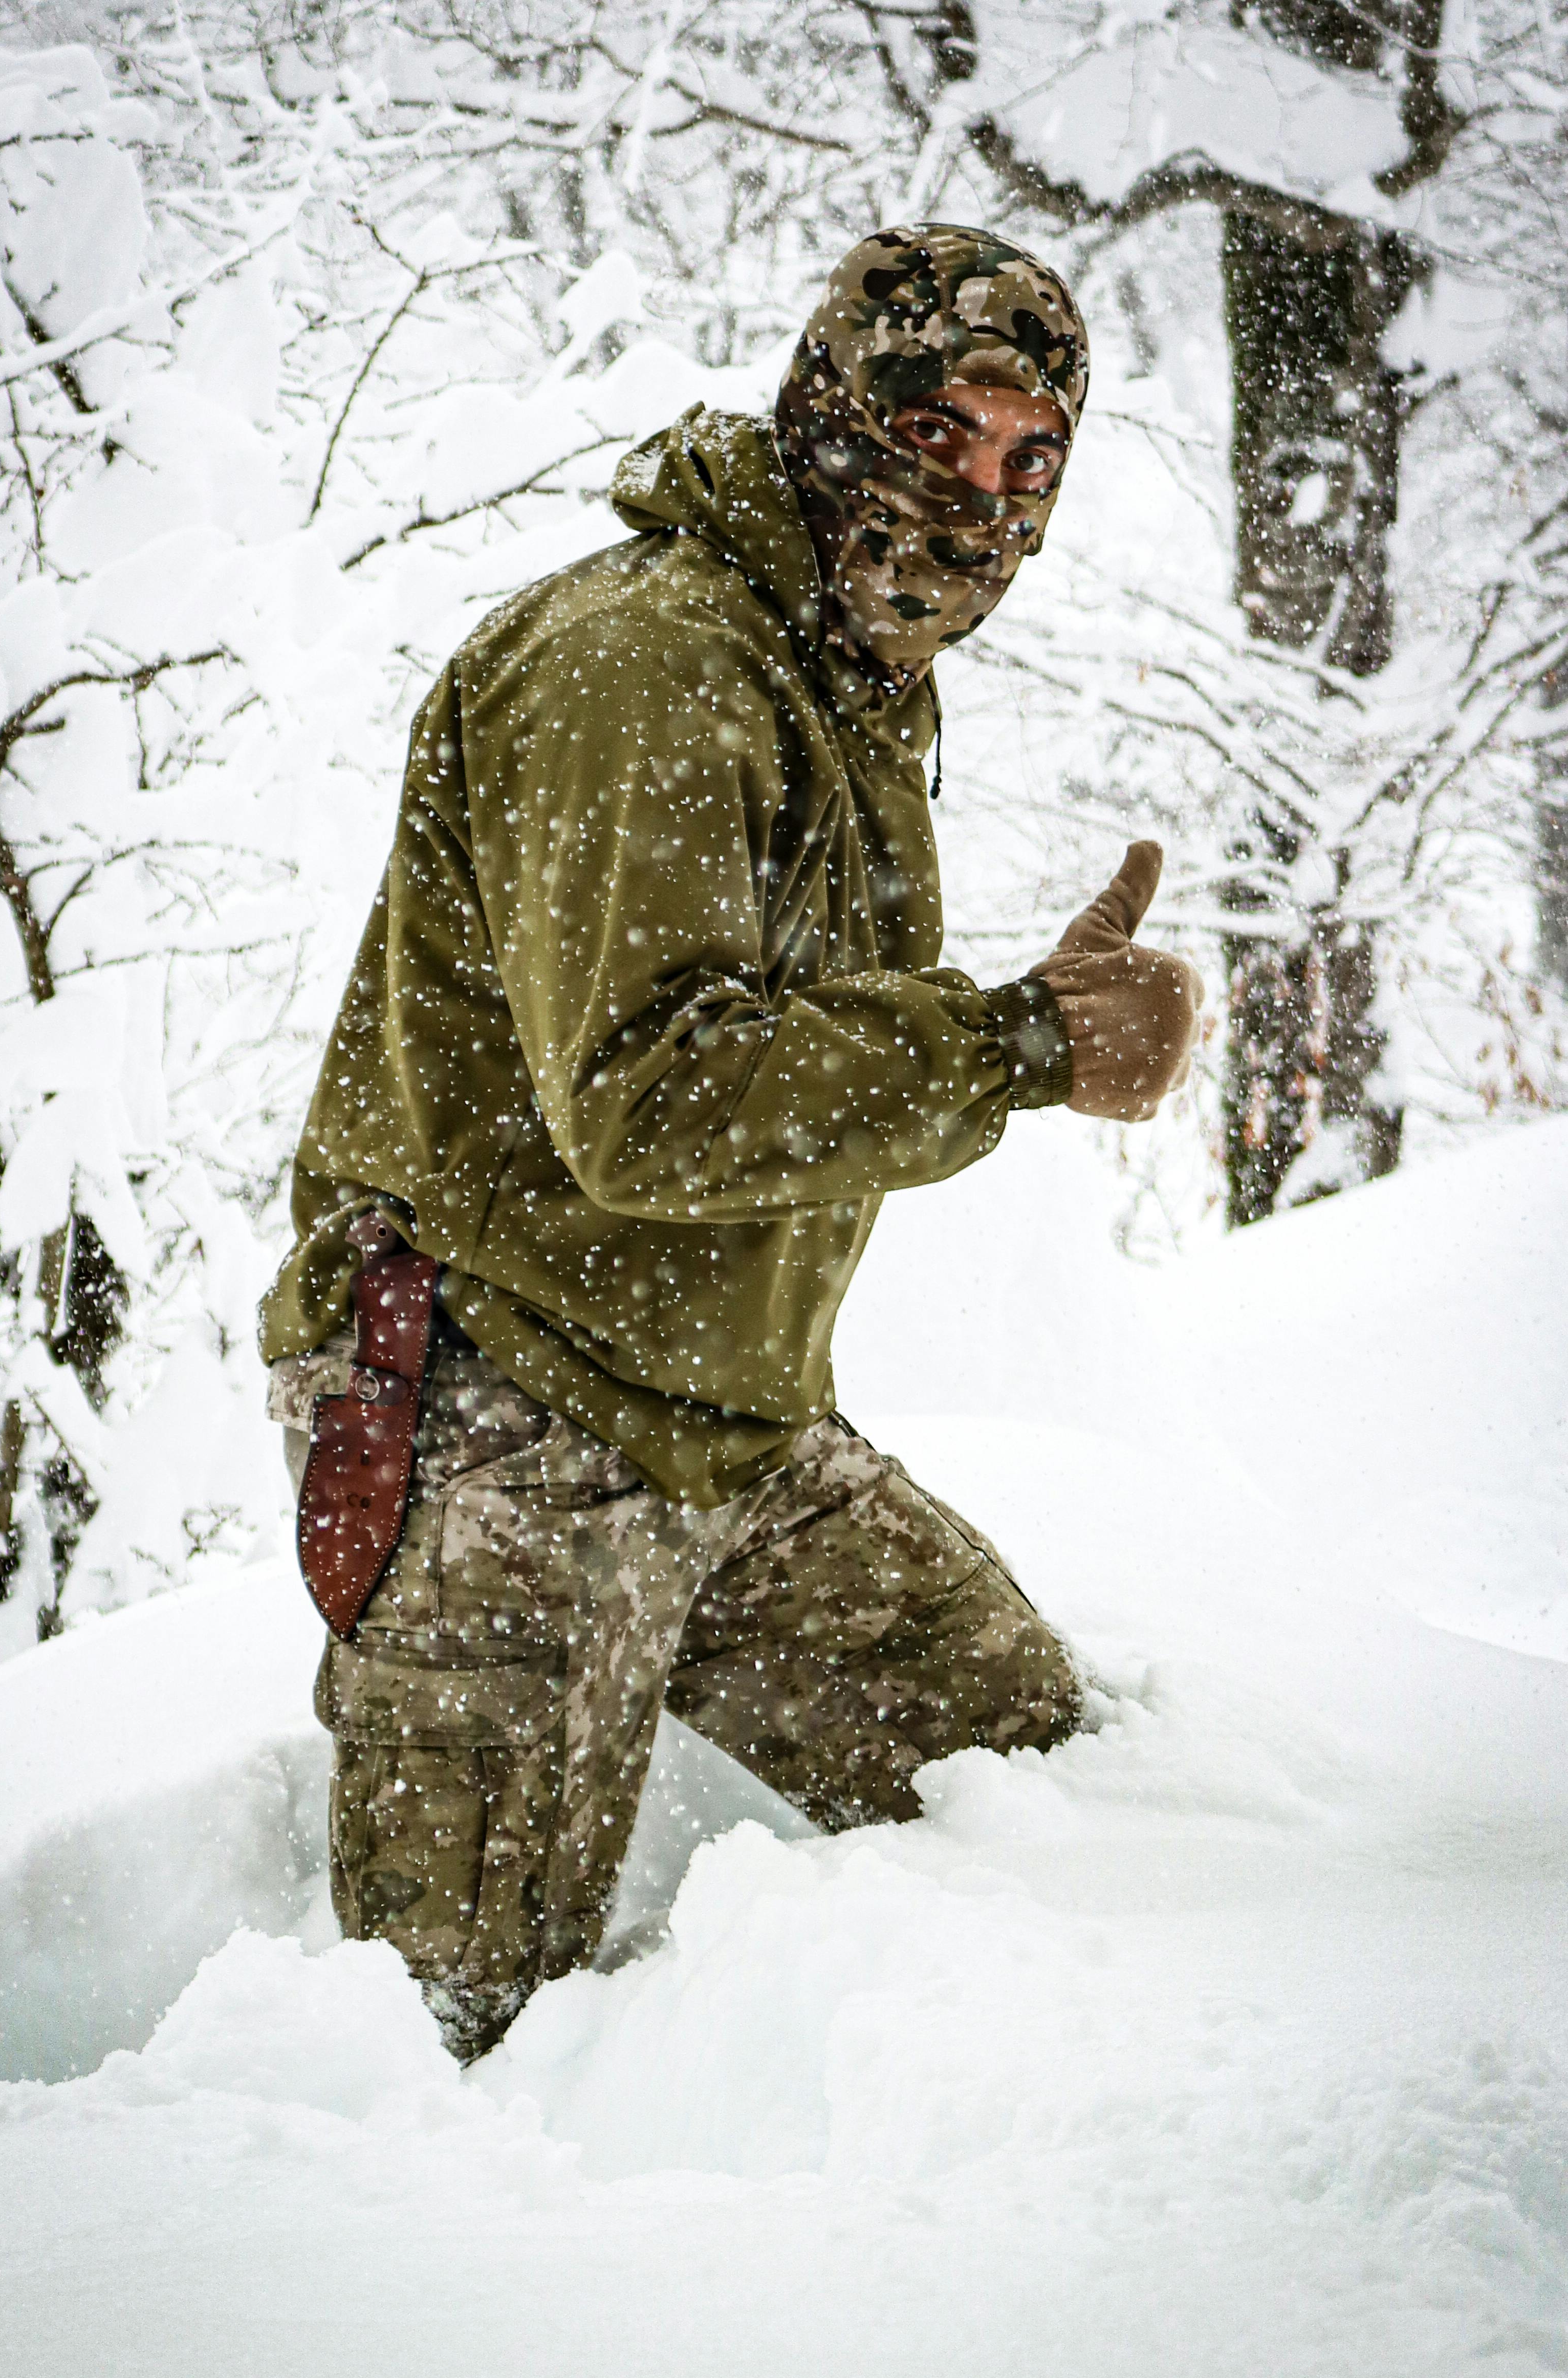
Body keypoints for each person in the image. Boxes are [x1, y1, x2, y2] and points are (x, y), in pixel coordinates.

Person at [260, 225, 1203, 2060]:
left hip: (725, 1422)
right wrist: (1017, 1041)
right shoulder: (648, 663)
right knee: (439, 2053)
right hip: (501, 1412)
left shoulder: (836, 669)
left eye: (1030, 464)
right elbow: (650, 1097)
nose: (983, 500)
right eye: (942, 436)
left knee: (1039, 1788)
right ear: (831, 406)